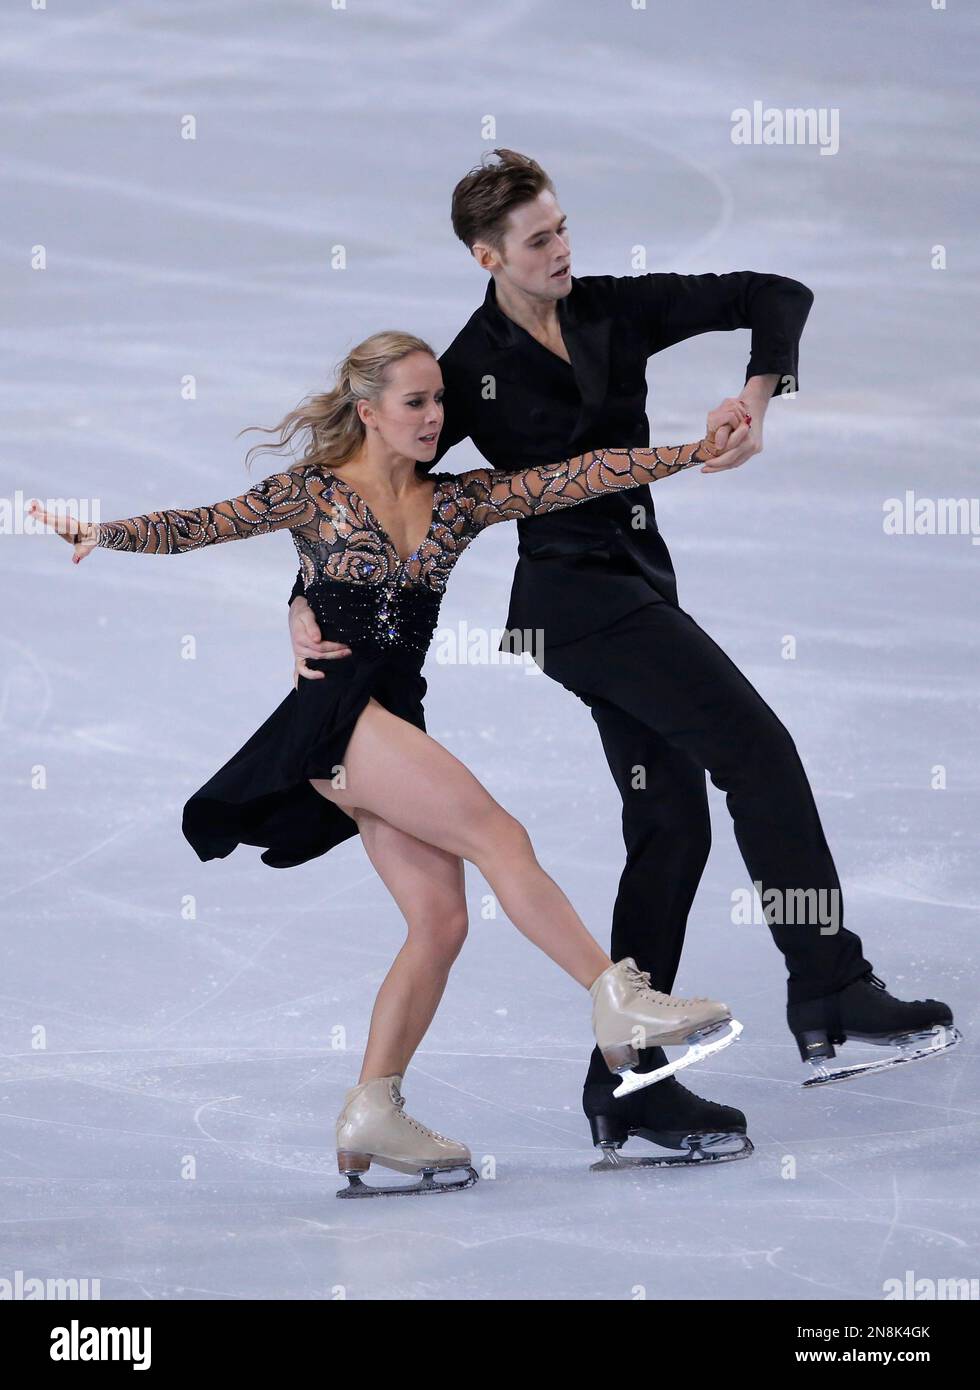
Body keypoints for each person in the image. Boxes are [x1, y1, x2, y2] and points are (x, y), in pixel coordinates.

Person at [285, 151, 959, 1167]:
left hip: (638, 587)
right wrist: (303, 598)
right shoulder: (466, 367)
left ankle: (628, 1089)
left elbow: (774, 293)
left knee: (670, 827)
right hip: (574, 603)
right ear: (486, 254)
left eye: (562, 228)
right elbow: (370, 482)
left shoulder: (611, 309)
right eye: (537, 240)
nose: (562, 250)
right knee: (759, 752)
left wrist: (754, 398)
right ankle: (825, 984)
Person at [28, 332, 750, 1197]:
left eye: (439, 402)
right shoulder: (314, 495)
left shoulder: (456, 503)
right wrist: (105, 533)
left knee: (439, 922)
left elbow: (574, 476)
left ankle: (374, 1106)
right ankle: (614, 994)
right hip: (338, 718)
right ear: (367, 410)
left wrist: (688, 452)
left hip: (388, 720)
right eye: (415, 403)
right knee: (499, 834)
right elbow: (204, 524)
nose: (434, 416)